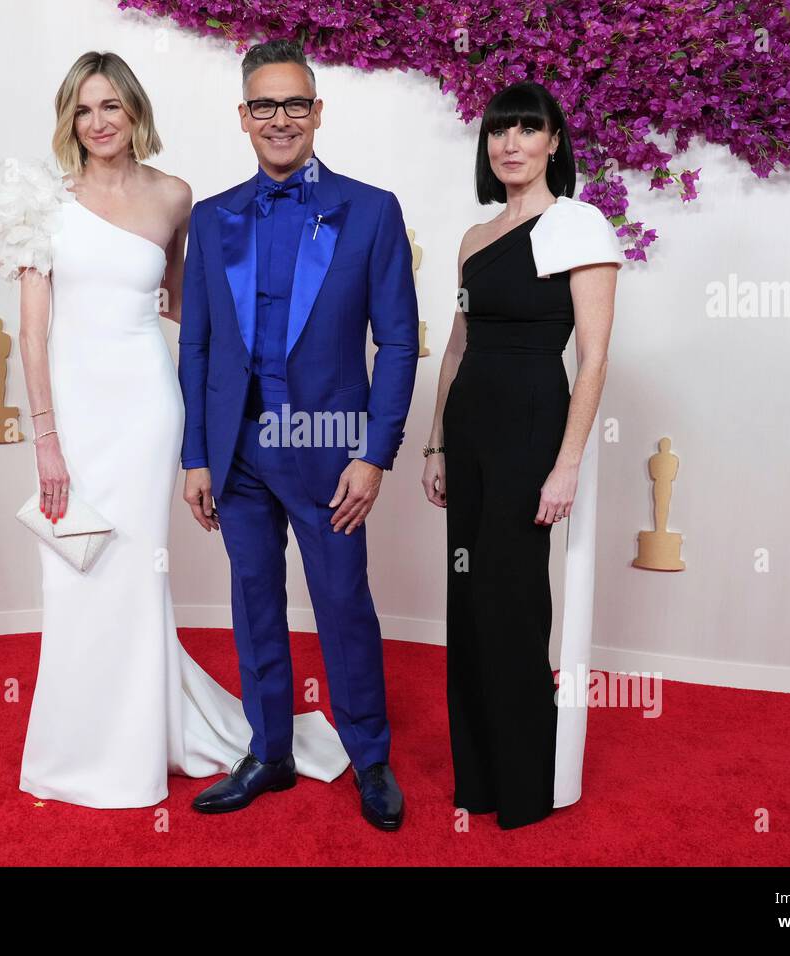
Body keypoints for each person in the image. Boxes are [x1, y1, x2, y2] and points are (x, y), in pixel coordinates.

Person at [0, 51, 349, 810]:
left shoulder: (177, 197)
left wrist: (278, 346)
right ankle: (81, 747)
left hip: (148, 405)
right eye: (83, 109)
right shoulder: (43, 202)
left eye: (111, 106)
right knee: (75, 570)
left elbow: (186, 304)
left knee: (138, 574)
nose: (98, 122)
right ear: (68, 120)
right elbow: (33, 335)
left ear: (135, 112)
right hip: (75, 415)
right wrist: (45, 436)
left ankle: (138, 743)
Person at [178, 40, 419, 830]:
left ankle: (370, 756)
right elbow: (199, 345)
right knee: (253, 602)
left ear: (317, 113)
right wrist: (198, 455)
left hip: (329, 448)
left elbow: (398, 341)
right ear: (242, 118)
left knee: (343, 602)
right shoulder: (211, 219)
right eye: (263, 105)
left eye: (293, 104)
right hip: (237, 452)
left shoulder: (372, 209)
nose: (278, 119)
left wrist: (374, 453)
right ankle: (270, 750)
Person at [421, 81, 621, 829]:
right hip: (470, 425)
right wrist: (437, 441)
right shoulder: (474, 240)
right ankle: (478, 775)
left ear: (553, 142)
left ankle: (524, 782)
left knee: (513, 600)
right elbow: (457, 346)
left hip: (534, 424)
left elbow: (594, 359)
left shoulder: (581, 225)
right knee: (469, 600)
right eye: (498, 132)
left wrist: (567, 463)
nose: (510, 144)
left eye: (525, 130)